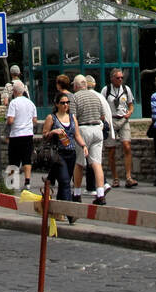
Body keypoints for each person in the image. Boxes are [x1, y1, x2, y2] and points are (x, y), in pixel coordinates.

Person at [70, 74, 110, 205]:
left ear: (76, 86)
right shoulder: (96, 96)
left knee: (80, 163)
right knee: (96, 163)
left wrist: (76, 134)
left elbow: (73, 118)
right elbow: (103, 116)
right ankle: (100, 194)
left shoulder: (75, 97)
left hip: (83, 129)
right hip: (97, 129)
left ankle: (76, 193)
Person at [42, 91, 87, 203]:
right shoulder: (51, 118)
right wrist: (53, 132)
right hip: (58, 154)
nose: (66, 105)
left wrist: (83, 146)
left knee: (64, 183)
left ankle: (59, 206)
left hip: (71, 153)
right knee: (65, 180)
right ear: (57, 104)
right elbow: (45, 135)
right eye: (62, 103)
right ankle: (69, 209)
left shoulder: (72, 117)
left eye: (67, 102)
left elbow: (77, 135)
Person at [103, 68, 138, 188]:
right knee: (111, 150)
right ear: (112, 78)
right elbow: (102, 104)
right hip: (111, 119)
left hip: (123, 118)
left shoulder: (126, 89)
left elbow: (130, 104)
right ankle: (115, 178)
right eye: (118, 78)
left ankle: (128, 177)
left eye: (122, 77)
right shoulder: (106, 90)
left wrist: (130, 112)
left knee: (127, 145)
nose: (120, 80)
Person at [5, 80, 39, 188]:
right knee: (26, 158)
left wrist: (9, 122)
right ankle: (27, 182)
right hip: (28, 134)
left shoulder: (13, 103)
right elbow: (35, 120)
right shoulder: (30, 103)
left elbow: (10, 120)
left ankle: (12, 183)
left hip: (16, 134)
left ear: (14, 91)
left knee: (13, 159)